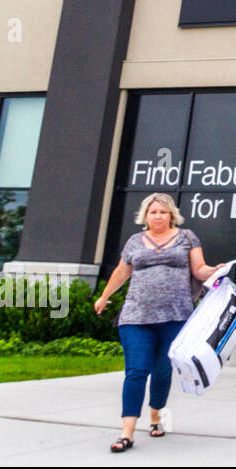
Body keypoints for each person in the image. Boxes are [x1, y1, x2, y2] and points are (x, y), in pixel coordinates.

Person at [94, 193, 226, 453]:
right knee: (136, 371)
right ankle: (127, 433)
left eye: (162, 212)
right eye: (153, 212)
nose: (158, 216)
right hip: (136, 317)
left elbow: (198, 269)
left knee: (162, 371)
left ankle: (156, 415)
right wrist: (104, 296)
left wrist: (213, 271)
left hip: (176, 317)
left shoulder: (187, 238)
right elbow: (122, 272)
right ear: (145, 216)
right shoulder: (134, 242)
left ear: (171, 215)